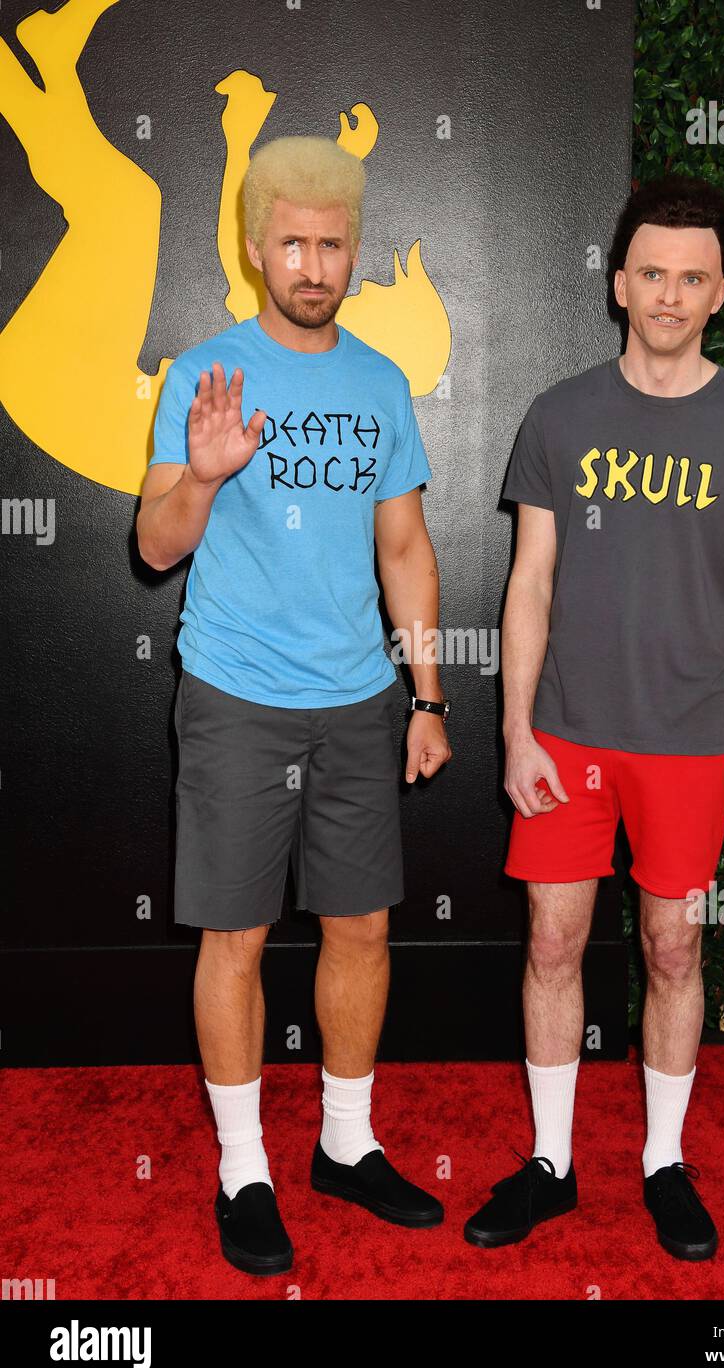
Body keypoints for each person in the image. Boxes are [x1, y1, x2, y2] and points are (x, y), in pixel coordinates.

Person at [465, 174, 724, 1259]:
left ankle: (664, 1161)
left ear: (717, 295)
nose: (667, 293)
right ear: (618, 284)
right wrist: (514, 729)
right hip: (566, 728)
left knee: (671, 947)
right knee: (555, 939)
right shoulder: (558, 415)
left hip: (692, 735)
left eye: (690, 278)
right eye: (650, 273)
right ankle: (550, 1164)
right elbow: (526, 583)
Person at [137, 135, 452, 1276]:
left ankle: (345, 1143)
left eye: (331, 244)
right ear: (254, 244)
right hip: (235, 695)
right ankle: (241, 1166)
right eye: (292, 242)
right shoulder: (204, 375)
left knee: (361, 924)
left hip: (360, 699)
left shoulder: (377, 381)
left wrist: (425, 693)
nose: (312, 263)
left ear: (352, 251)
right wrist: (207, 473)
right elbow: (153, 543)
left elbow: (405, 547)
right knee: (236, 934)